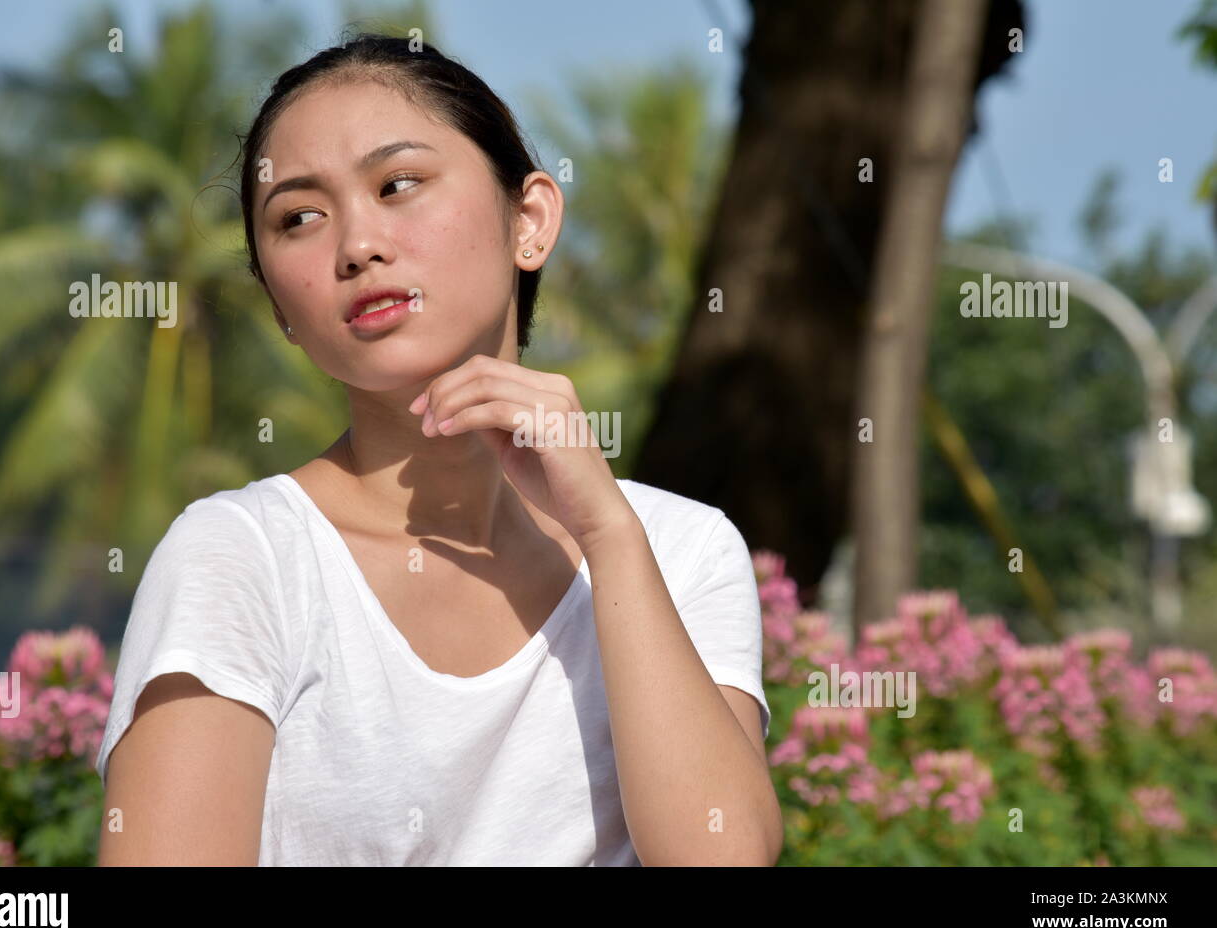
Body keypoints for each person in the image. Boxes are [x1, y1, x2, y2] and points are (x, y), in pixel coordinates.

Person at [95, 32, 780, 866]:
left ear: (529, 221)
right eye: (299, 217)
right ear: (278, 303)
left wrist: (608, 535)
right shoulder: (243, 557)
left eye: (399, 183)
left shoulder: (681, 548)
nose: (357, 244)